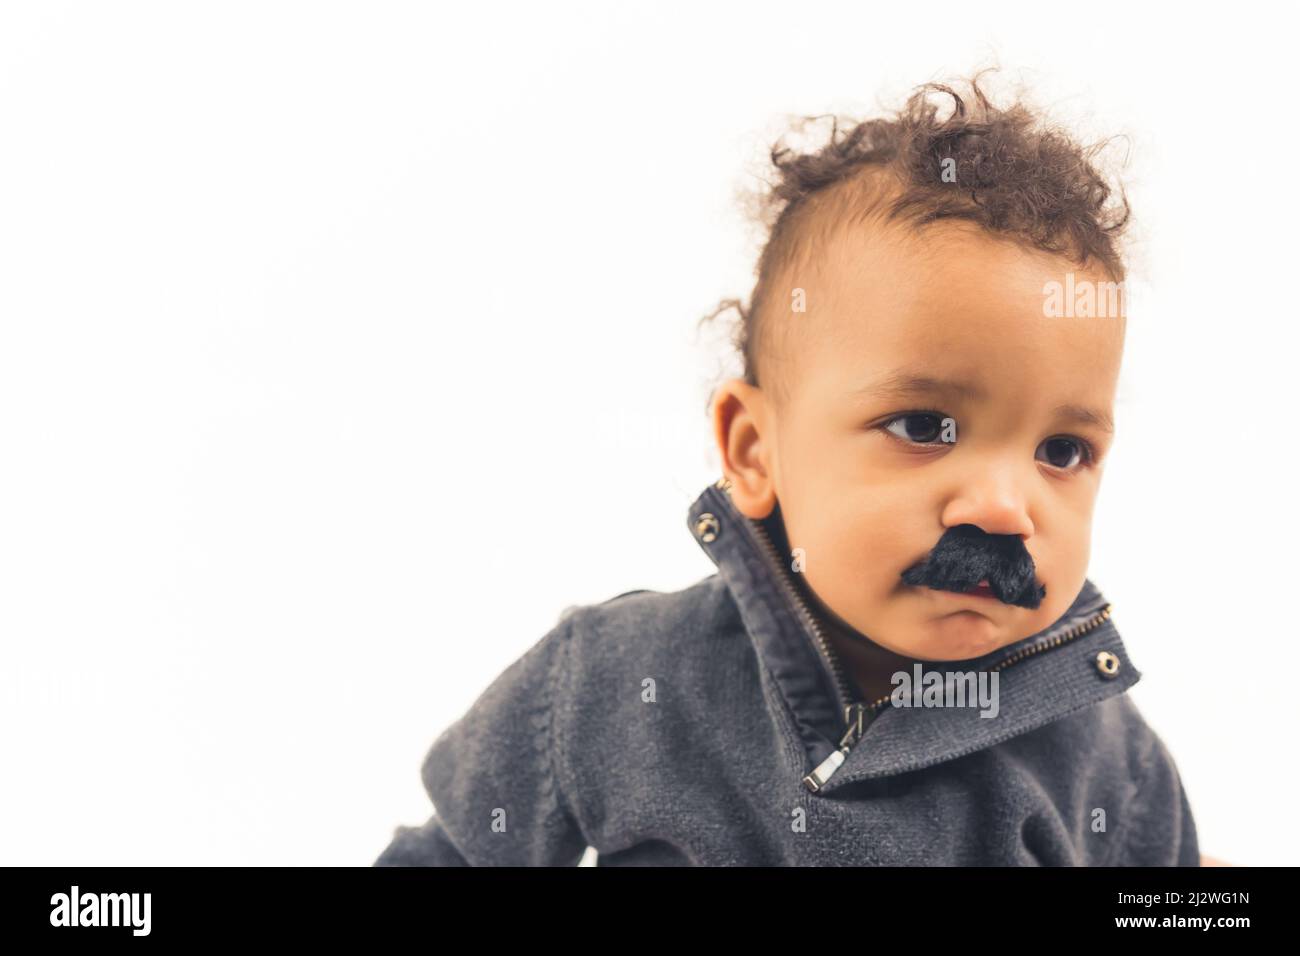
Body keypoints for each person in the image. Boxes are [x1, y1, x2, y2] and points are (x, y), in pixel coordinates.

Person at [374, 71, 1207, 866]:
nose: (1003, 508)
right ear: (753, 448)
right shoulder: (615, 682)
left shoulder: (1110, 762)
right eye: (923, 425)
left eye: (1062, 451)